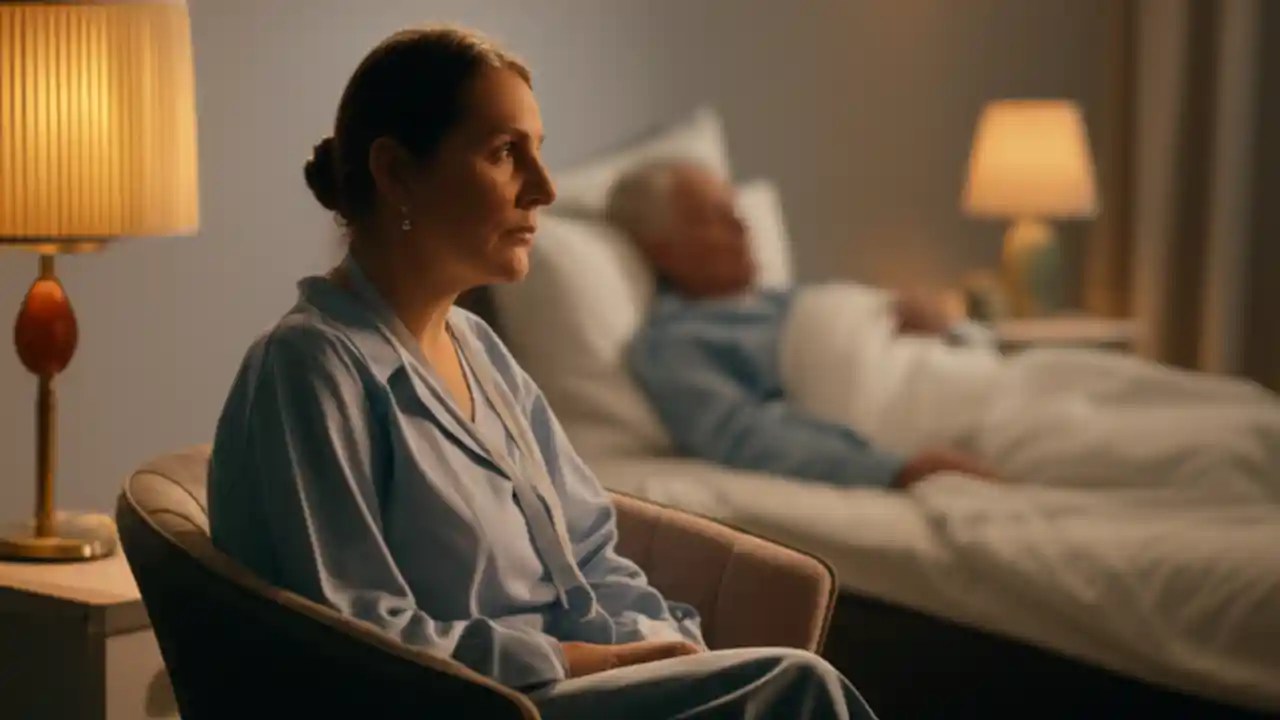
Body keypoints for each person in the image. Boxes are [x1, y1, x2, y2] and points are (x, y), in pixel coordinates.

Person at [207, 27, 876, 719]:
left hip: (575, 689)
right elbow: (358, 634)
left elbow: (589, 555)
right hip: (480, 705)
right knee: (798, 686)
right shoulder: (311, 367)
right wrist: (598, 662)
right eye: (504, 153)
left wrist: (667, 646)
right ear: (397, 172)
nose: (545, 189)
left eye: (539, 152)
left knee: (778, 682)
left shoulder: (481, 351)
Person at [609, 159, 998, 489]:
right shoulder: (678, 344)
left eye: (734, 209)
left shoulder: (788, 300)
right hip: (917, 421)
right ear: (665, 251)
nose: (741, 225)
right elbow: (744, 438)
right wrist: (896, 468)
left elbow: (977, 349)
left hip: (974, 377)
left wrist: (948, 329)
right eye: (714, 216)